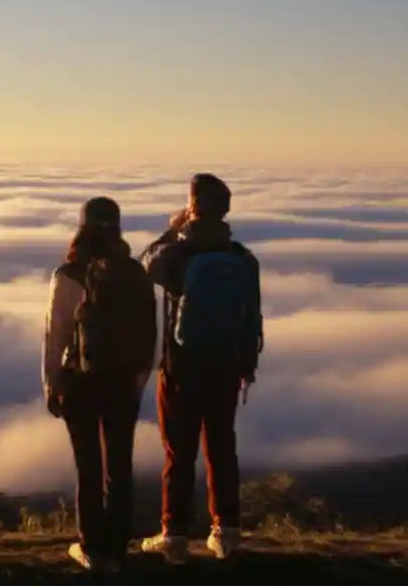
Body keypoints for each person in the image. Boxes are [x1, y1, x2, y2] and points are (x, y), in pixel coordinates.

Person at [140, 174, 263, 564]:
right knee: (222, 448)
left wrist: (173, 229)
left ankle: (174, 537)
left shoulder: (178, 255)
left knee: (179, 453)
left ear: (193, 206)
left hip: (181, 367)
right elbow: (252, 318)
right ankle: (226, 534)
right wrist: (248, 364)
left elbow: (146, 264)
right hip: (226, 365)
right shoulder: (243, 259)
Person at [42, 197, 157, 574]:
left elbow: (55, 335)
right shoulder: (135, 273)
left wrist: (51, 384)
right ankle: (117, 551)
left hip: (79, 382)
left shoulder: (69, 274)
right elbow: (148, 334)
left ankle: (91, 547)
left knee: (87, 466)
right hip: (123, 382)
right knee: (119, 466)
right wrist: (139, 381)